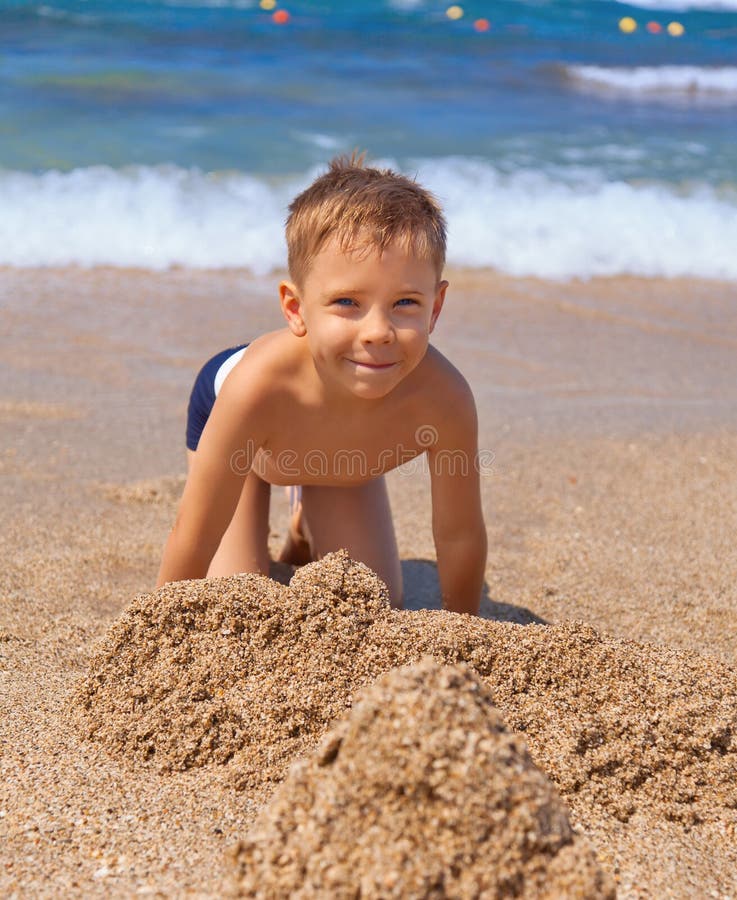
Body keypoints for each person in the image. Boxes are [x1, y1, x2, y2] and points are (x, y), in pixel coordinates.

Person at [156, 155, 487, 615]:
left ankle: (303, 520)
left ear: (435, 307)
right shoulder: (256, 387)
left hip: (344, 463)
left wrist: (465, 630)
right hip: (253, 439)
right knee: (235, 601)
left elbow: (459, 535)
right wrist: (158, 631)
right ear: (296, 309)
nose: (378, 332)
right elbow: (194, 534)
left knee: (371, 605)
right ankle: (284, 501)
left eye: (405, 303)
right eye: (347, 302)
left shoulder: (445, 399)